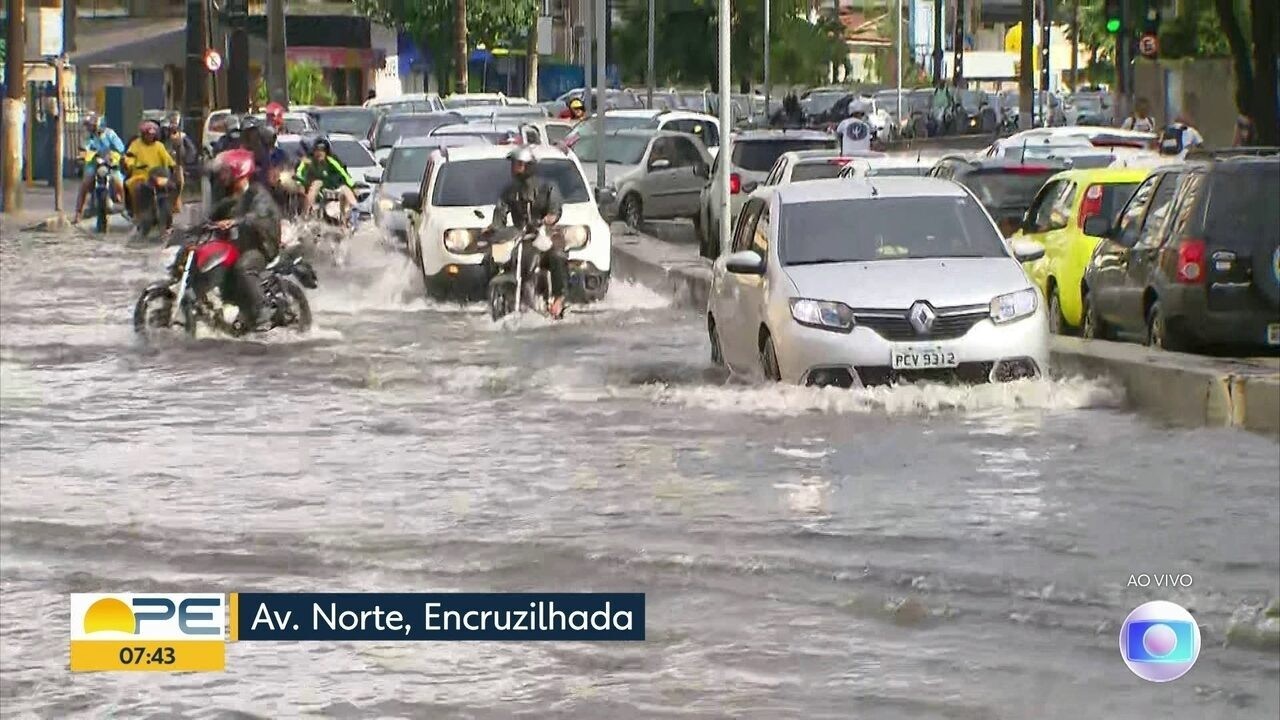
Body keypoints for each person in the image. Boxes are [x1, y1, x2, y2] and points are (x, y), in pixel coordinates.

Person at [207, 149, 283, 331]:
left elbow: (257, 216)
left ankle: (263, 309)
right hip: (240, 245)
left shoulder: (257, 193)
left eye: (226, 171)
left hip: (261, 247)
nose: (222, 175)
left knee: (243, 267)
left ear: (238, 170)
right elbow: (211, 216)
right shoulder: (231, 198)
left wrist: (234, 221)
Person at [488, 146, 568, 319]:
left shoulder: (548, 187)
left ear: (529, 166)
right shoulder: (509, 191)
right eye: (514, 164)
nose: (514, 168)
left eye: (518, 164)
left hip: (544, 235)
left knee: (557, 255)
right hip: (521, 238)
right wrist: (494, 229)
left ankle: (558, 299)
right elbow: (500, 213)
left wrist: (549, 218)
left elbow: (555, 210)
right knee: (496, 258)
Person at [74, 112, 126, 222]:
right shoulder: (88, 137)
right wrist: (83, 155)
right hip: (93, 164)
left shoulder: (110, 134)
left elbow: (120, 148)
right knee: (85, 183)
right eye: (89, 125)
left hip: (110, 165)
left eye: (92, 125)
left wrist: (113, 156)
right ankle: (78, 212)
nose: (90, 128)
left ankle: (127, 208)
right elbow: (84, 148)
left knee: (120, 183)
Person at [294, 136, 358, 226]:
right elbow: (299, 175)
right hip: (315, 192)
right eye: (317, 150)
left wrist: (353, 187)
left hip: (331, 189)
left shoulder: (332, 161)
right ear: (313, 151)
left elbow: (345, 175)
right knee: (317, 184)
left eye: (322, 150)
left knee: (345, 188)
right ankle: (306, 216)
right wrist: (300, 185)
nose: (320, 153)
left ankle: (353, 214)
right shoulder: (307, 163)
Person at [123, 120, 178, 219]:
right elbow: (129, 157)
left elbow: (167, 159)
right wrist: (130, 164)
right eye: (148, 135)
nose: (150, 137)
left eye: (152, 135)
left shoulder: (159, 146)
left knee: (172, 185)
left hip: (158, 175)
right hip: (140, 175)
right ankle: (136, 213)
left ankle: (171, 208)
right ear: (143, 135)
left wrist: (173, 165)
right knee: (135, 188)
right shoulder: (136, 144)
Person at [161, 112, 197, 212]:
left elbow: (191, 150)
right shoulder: (162, 137)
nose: (173, 125)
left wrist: (187, 159)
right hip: (164, 164)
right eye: (172, 122)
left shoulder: (182, 136)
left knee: (179, 183)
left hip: (178, 163)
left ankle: (175, 203)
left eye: (175, 122)